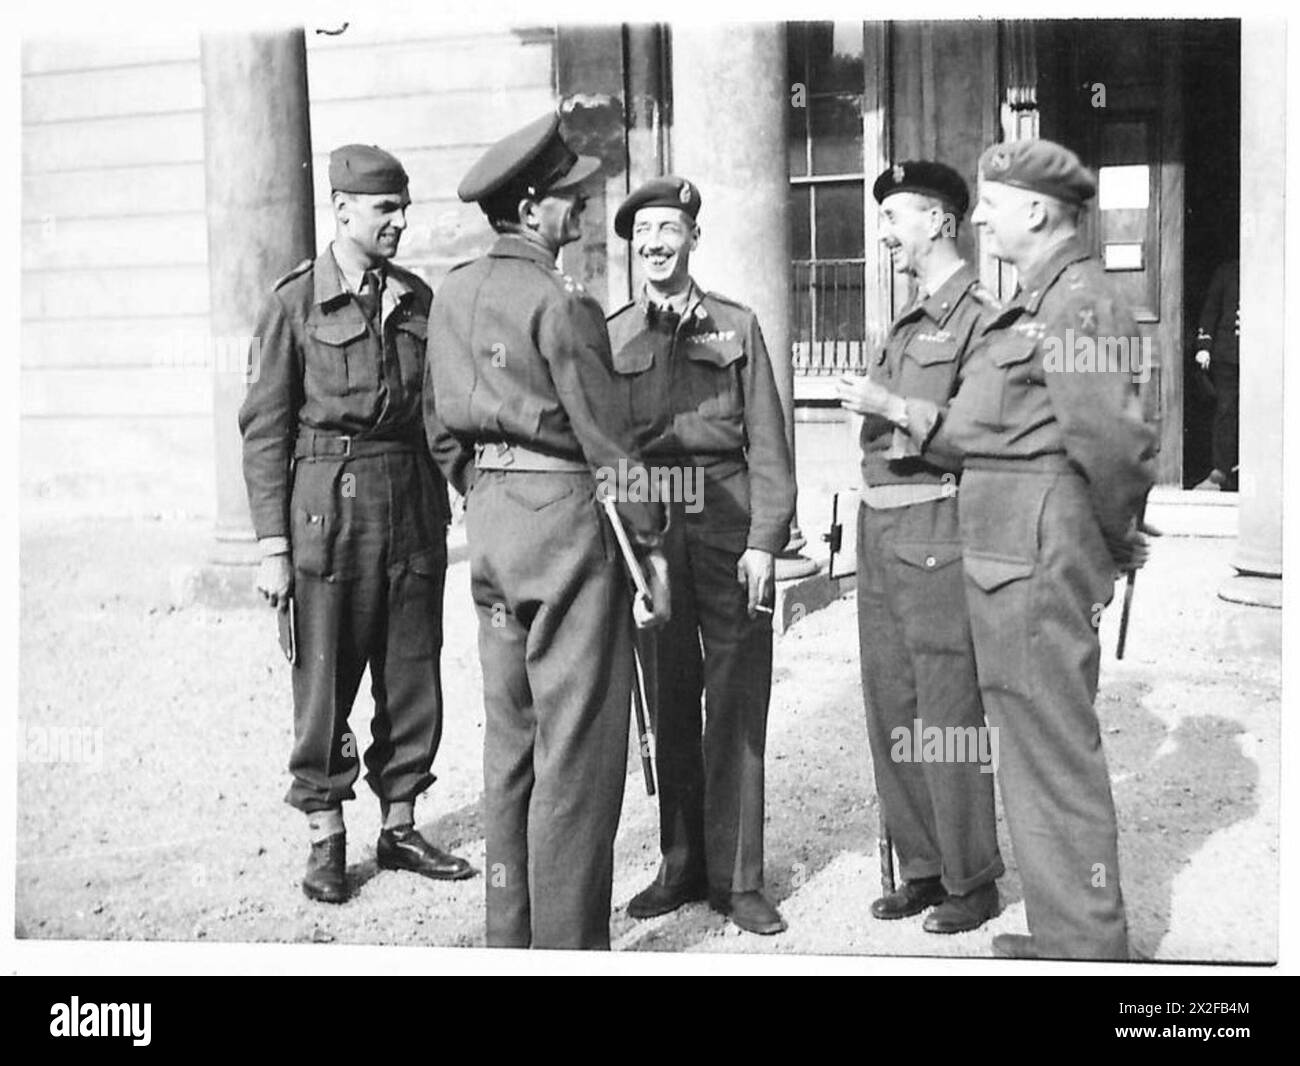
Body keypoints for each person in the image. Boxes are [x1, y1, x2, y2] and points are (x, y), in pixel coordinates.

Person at [847, 139, 1157, 960]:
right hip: (1007, 550)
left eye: (992, 202)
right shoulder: (1037, 303)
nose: (979, 217)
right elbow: (979, 428)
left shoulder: (1079, 302)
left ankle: (1088, 948)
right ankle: (1064, 936)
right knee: (1030, 756)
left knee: (1055, 760)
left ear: (1035, 210)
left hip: (1038, 548)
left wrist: (1115, 535)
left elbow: (1114, 441)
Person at [425, 112, 670, 950]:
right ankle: (567, 952)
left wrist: (485, 488)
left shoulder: (453, 291)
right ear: (531, 212)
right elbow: (610, 444)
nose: (582, 210)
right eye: (570, 198)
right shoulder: (565, 304)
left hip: (490, 528)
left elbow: (440, 429)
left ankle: (511, 939)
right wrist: (653, 543)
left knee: (513, 744)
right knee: (578, 750)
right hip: (565, 530)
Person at [238, 144, 473, 905]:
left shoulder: (416, 298)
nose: (401, 221)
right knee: (325, 676)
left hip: (409, 505)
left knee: (412, 671)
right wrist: (273, 547)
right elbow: (266, 429)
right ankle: (326, 835)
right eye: (385, 210)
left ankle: (400, 824)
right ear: (342, 211)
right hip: (327, 514)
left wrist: (469, 487)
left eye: (403, 207)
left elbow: (438, 414)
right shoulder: (294, 304)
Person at [607, 176, 796, 936]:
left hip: (726, 517)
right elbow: (607, 448)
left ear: (693, 238)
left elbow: (770, 445)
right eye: (644, 231)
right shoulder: (613, 333)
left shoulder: (736, 327)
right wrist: (621, 550)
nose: (655, 243)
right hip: (654, 524)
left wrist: (765, 542)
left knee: (739, 695)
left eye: (669, 229)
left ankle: (739, 877)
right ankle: (680, 863)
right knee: (668, 697)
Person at [835, 162, 1004, 934]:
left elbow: (986, 436)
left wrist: (891, 406)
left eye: (895, 216)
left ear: (939, 220)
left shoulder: (982, 320)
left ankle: (974, 878)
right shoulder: (907, 321)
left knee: (946, 709)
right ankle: (924, 868)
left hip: (937, 530)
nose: (883, 232)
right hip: (881, 531)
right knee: (892, 703)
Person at [1192, 259, 1240, 491]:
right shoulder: (1227, 270)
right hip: (1227, 355)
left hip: (1263, 355)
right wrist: (1204, 346)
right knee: (1226, 411)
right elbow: (1211, 309)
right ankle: (1221, 471)